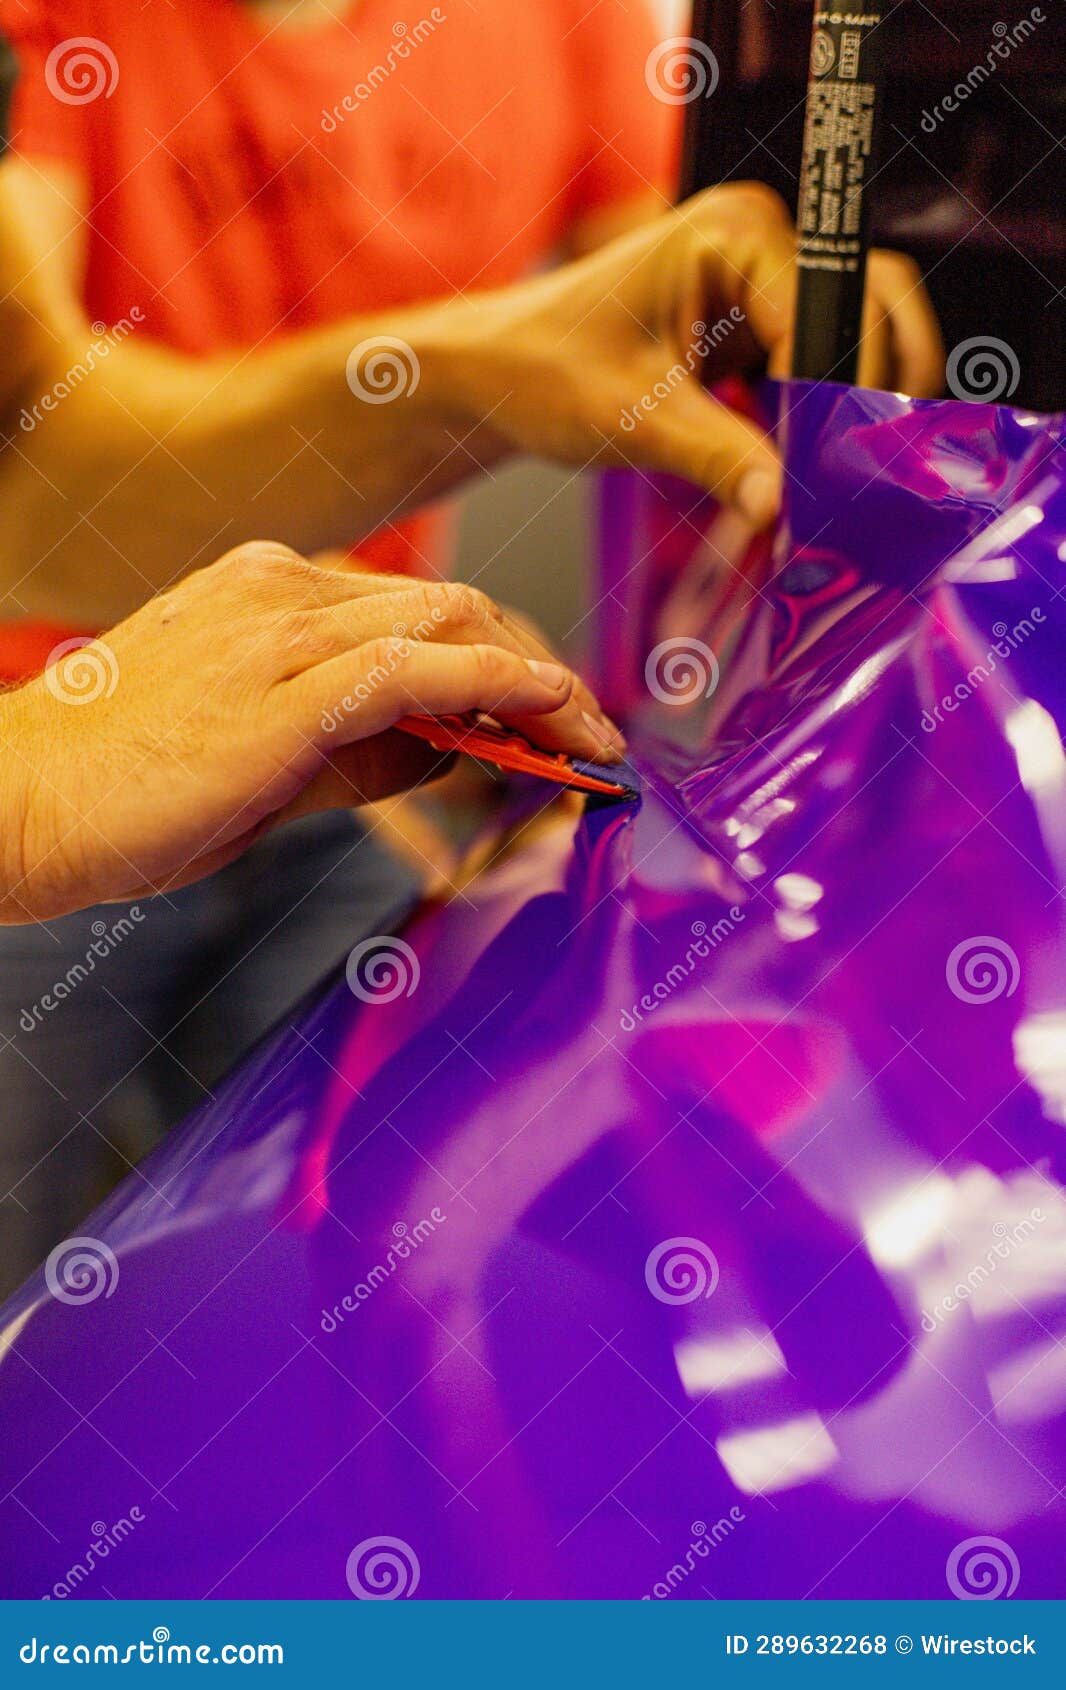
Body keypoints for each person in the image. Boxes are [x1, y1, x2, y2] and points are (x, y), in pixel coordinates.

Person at [0, 84, 944, 1292]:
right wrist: (35, 780)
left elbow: (27, 470)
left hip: (331, 758)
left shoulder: (567, 32)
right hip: (90, 768)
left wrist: (504, 373)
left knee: (335, 1246)